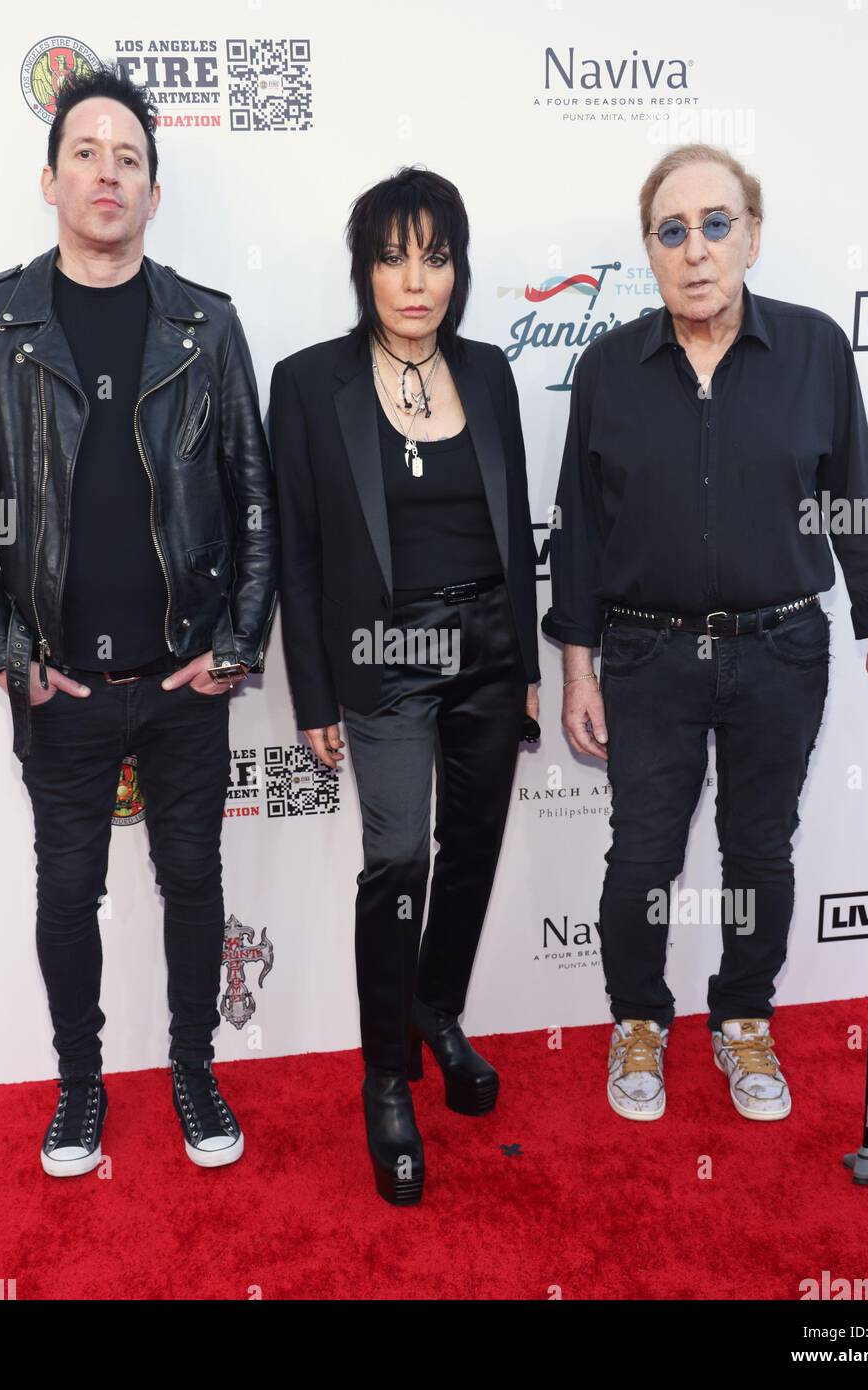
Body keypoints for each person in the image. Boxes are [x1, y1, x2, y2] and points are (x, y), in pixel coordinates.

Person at [541, 143, 868, 1124]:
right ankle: (638, 1017)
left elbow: (851, 499)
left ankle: (743, 1014)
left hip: (782, 650)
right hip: (647, 653)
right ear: (651, 250)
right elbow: (578, 532)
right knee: (641, 857)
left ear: (753, 235)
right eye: (673, 231)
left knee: (761, 852)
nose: (697, 249)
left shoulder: (814, 351)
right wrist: (577, 665)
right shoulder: (608, 367)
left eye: (717, 224)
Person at [0, 66, 277, 1175]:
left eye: (129, 157)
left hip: (183, 680)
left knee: (195, 882)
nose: (107, 173)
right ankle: (80, 1085)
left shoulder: (206, 326)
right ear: (50, 179)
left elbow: (256, 501)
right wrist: (9, 654)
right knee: (64, 886)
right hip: (61, 689)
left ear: (154, 193)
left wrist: (236, 646)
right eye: (87, 152)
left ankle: (191, 1067)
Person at [269, 167, 541, 1203]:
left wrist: (515, 658)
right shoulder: (308, 383)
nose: (415, 279)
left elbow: (515, 527)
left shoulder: (492, 371)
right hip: (384, 651)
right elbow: (295, 551)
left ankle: (437, 1009)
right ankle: (387, 1076)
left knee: (474, 847)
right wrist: (311, 694)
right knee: (397, 862)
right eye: (393, 255)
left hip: (486, 643)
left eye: (435, 255)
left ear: (459, 268)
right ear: (363, 268)